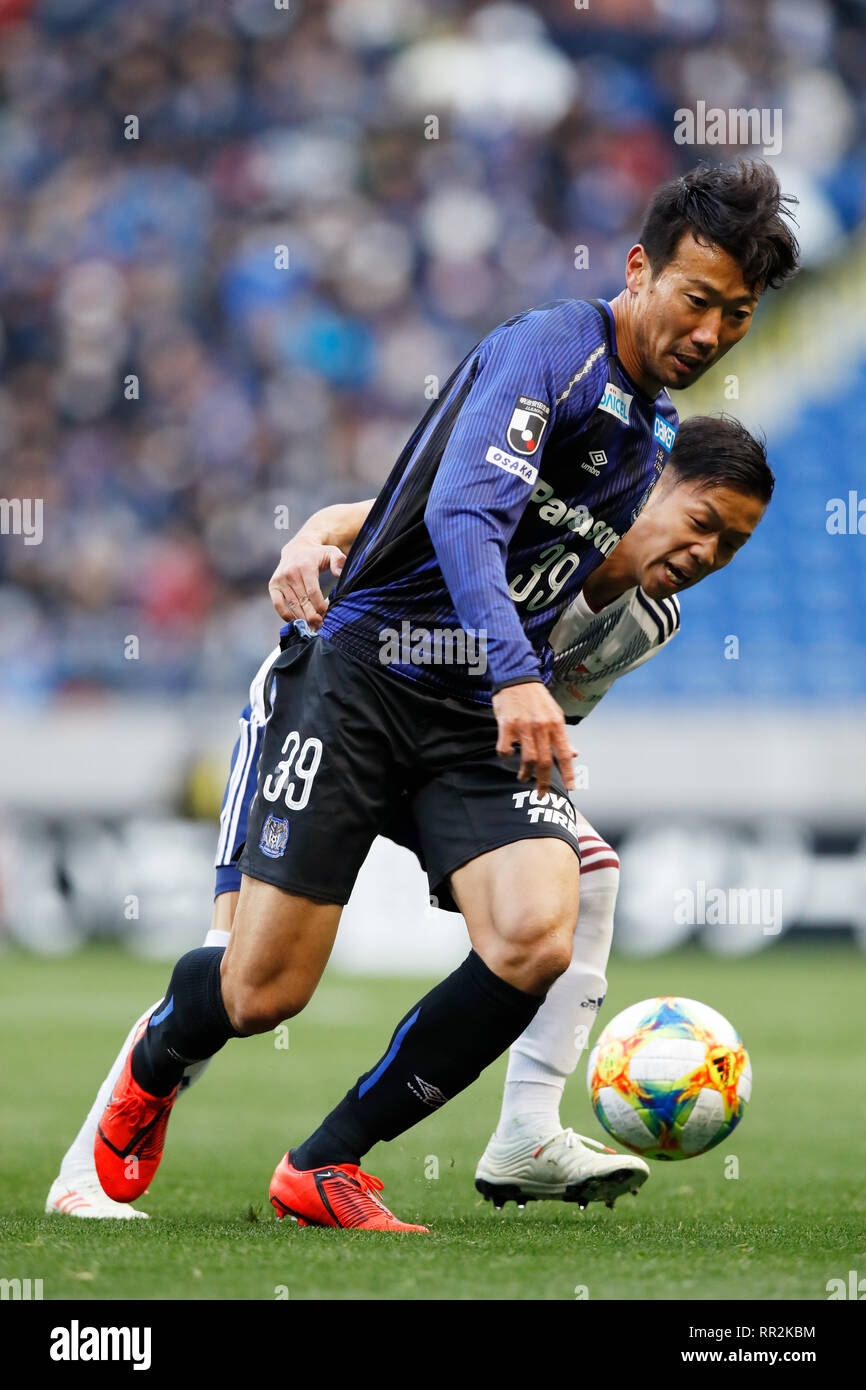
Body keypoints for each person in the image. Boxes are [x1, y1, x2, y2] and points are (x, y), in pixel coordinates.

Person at [90, 162, 797, 1232]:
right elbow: (462, 515)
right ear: (639, 268)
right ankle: (154, 1061)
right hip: (365, 680)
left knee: (536, 932)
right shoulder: (544, 350)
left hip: (467, 721)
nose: (709, 332)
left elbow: (487, 521)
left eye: (735, 317)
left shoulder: (651, 434)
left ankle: (325, 1163)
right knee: (259, 994)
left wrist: (505, 675)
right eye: (695, 300)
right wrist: (513, 670)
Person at [48, 415, 773, 1222]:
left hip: (451, 748)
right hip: (332, 703)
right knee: (247, 986)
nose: (707, 555)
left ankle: (521, 1133)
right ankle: (87, 1165)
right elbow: (368, 515)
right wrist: (309, 539)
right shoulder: (552, 500)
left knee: (585, 871)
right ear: (651, 482)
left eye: (730, 548)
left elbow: (538, 719)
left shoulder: (646, 623)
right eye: (703, 523)